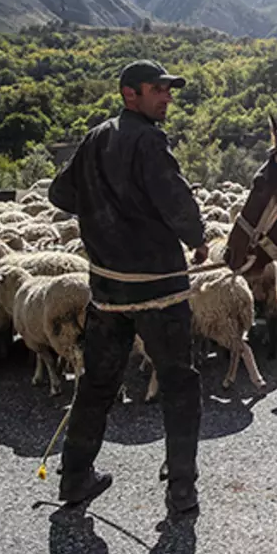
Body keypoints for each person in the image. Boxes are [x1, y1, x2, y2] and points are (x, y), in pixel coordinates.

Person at [48, 58, 209, 515]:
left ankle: (75, 478)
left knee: (97, 382)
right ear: (129, 94)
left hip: (108, 290)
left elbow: (59, 195)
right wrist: (198, 240)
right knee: (179, 383)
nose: (166, 97)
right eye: (156, 89)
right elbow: (175, 200)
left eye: (168, 89)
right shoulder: (150, 141)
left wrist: (102, 215)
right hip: (159, 288)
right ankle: (181, 487)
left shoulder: (96, 137)